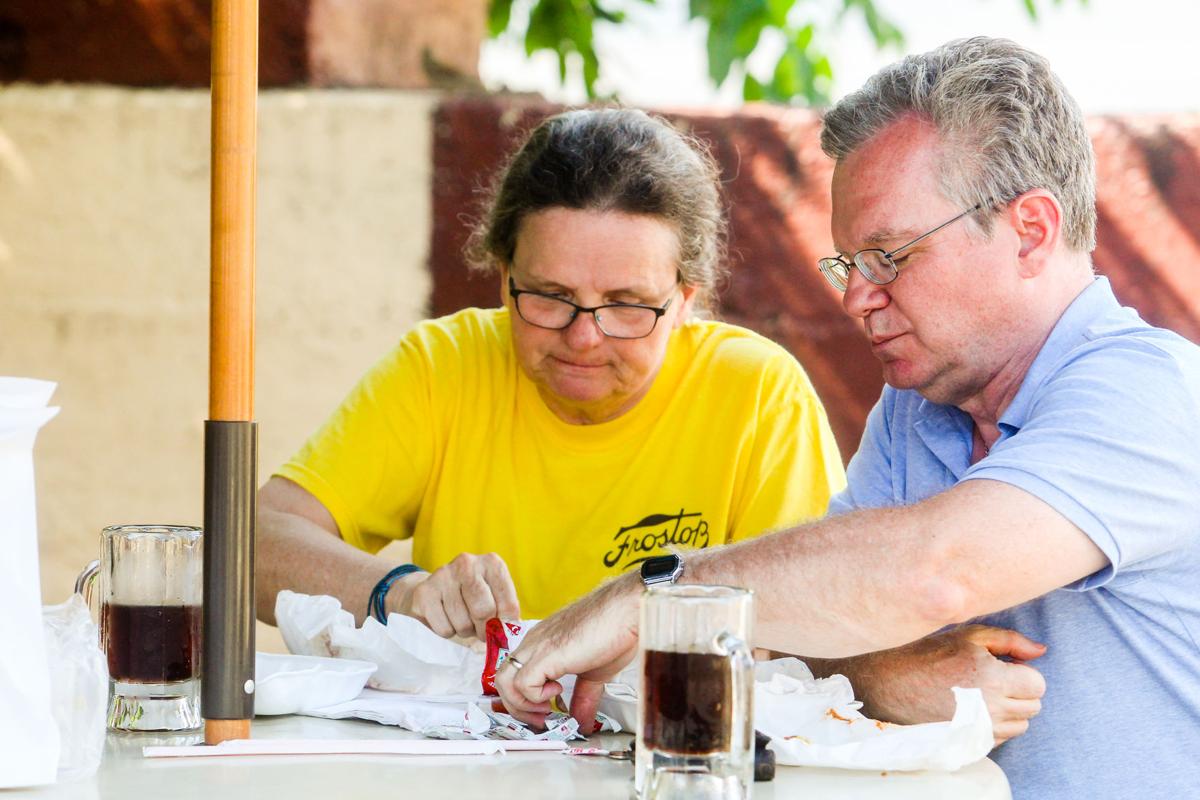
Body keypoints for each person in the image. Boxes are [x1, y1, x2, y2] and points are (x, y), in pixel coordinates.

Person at [497, 38, 1200, 800]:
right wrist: (879, 675)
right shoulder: (921, 404)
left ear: (1030, 230)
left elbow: (931, 576)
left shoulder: (1152, 395)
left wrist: (655, 594)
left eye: (888, 256)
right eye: (847, 265)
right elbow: (815, 623)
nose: (855, 297)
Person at [254, 108, 846, 641]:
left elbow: (812, 621)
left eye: (625, 304)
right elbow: (252, 542)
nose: (583, 336)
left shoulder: (759, 394)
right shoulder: (443, 365)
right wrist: (399, 593)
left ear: (685, 301)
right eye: (550, 296)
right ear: (503, 276)